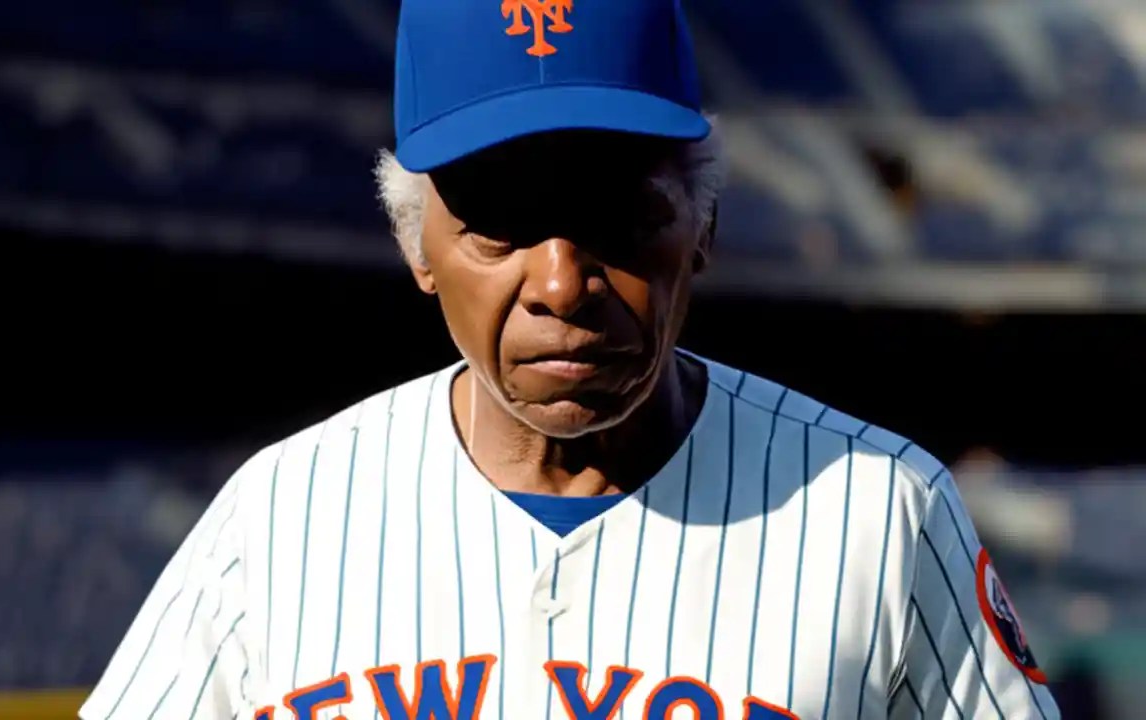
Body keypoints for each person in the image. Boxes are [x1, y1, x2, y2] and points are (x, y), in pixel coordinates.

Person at [79, 0, 1063, 718]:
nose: (561, 282)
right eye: (501, 226)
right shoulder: (276, 520)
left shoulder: (880, 507)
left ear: (703, 222)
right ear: (416, 247)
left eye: (615, 213)